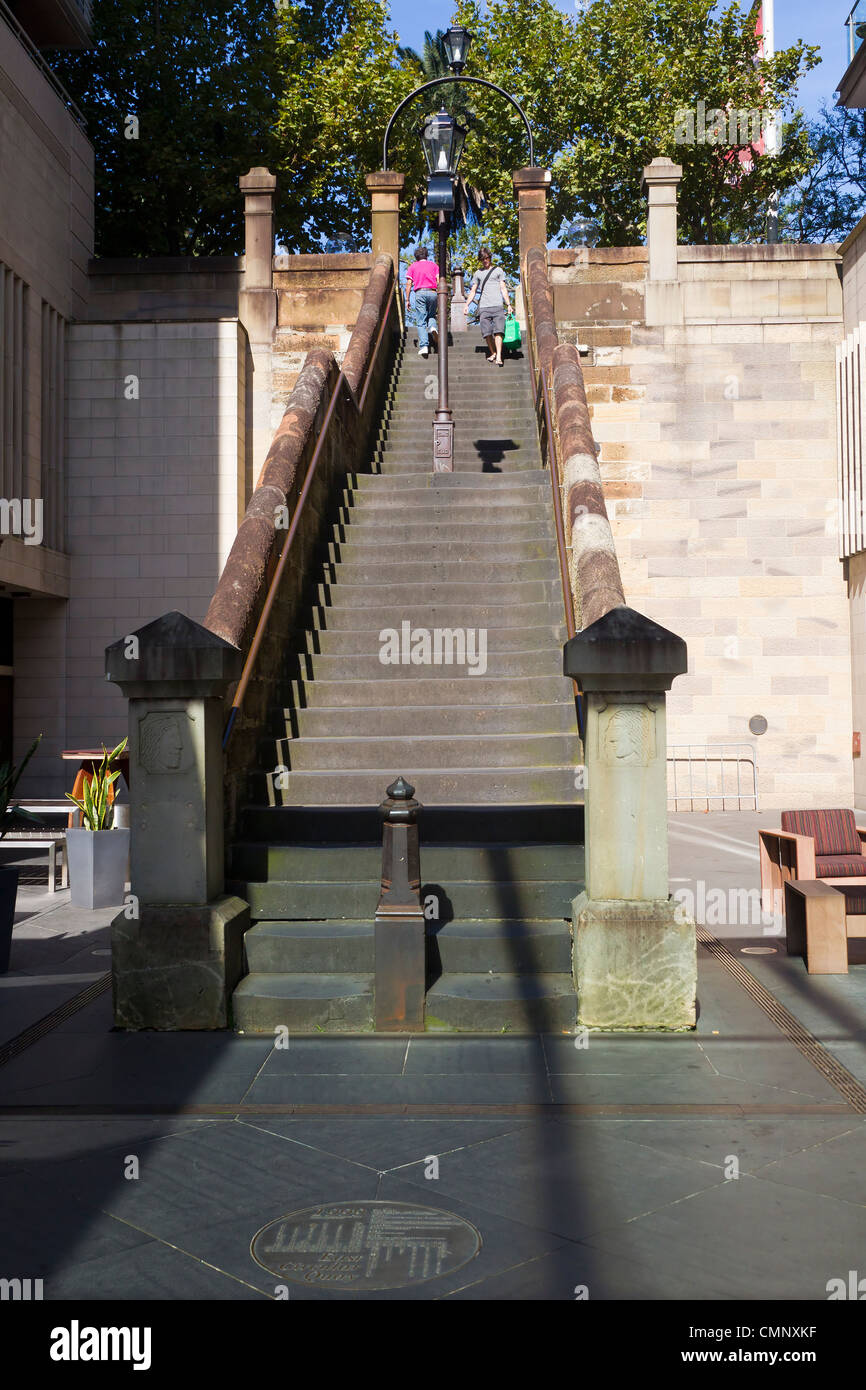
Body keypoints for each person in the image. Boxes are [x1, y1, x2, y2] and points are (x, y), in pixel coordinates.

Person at [464, 246, 512, 365]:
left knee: (498, 331)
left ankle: (499, 356)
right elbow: (473, 290)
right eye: (482, 259)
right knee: (486, 332)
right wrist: (466, 304)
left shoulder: (498, 271)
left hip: (497, 305)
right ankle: (493, 352)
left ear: (490, 258)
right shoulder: (478, 273)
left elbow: (503, 288)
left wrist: (509, 304)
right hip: (484, 307)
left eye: (486, 258)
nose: (485, 261)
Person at [405, 245, 440, 358]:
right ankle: (433, 327)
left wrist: (407, 299)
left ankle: (424, 346)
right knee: (431, 315)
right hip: (433, 292)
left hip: (420, 293)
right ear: (426, 255)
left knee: (421, 321)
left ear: (416, 257)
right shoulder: (434, 265)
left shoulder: (413, 266)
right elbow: (439, 280)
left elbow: (409, 284)